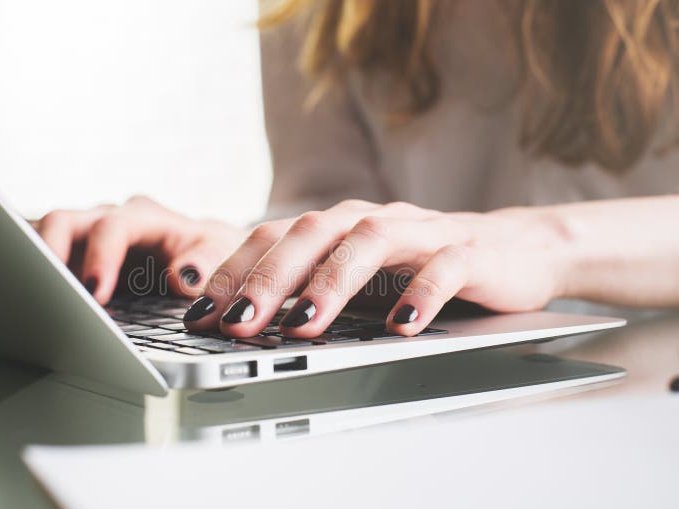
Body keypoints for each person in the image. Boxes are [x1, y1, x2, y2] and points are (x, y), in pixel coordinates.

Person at [36, 0, 679, 341]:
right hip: (443, 409)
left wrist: (548, 246)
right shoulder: (322, 12)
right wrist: (240, 256)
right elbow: (342, 215)